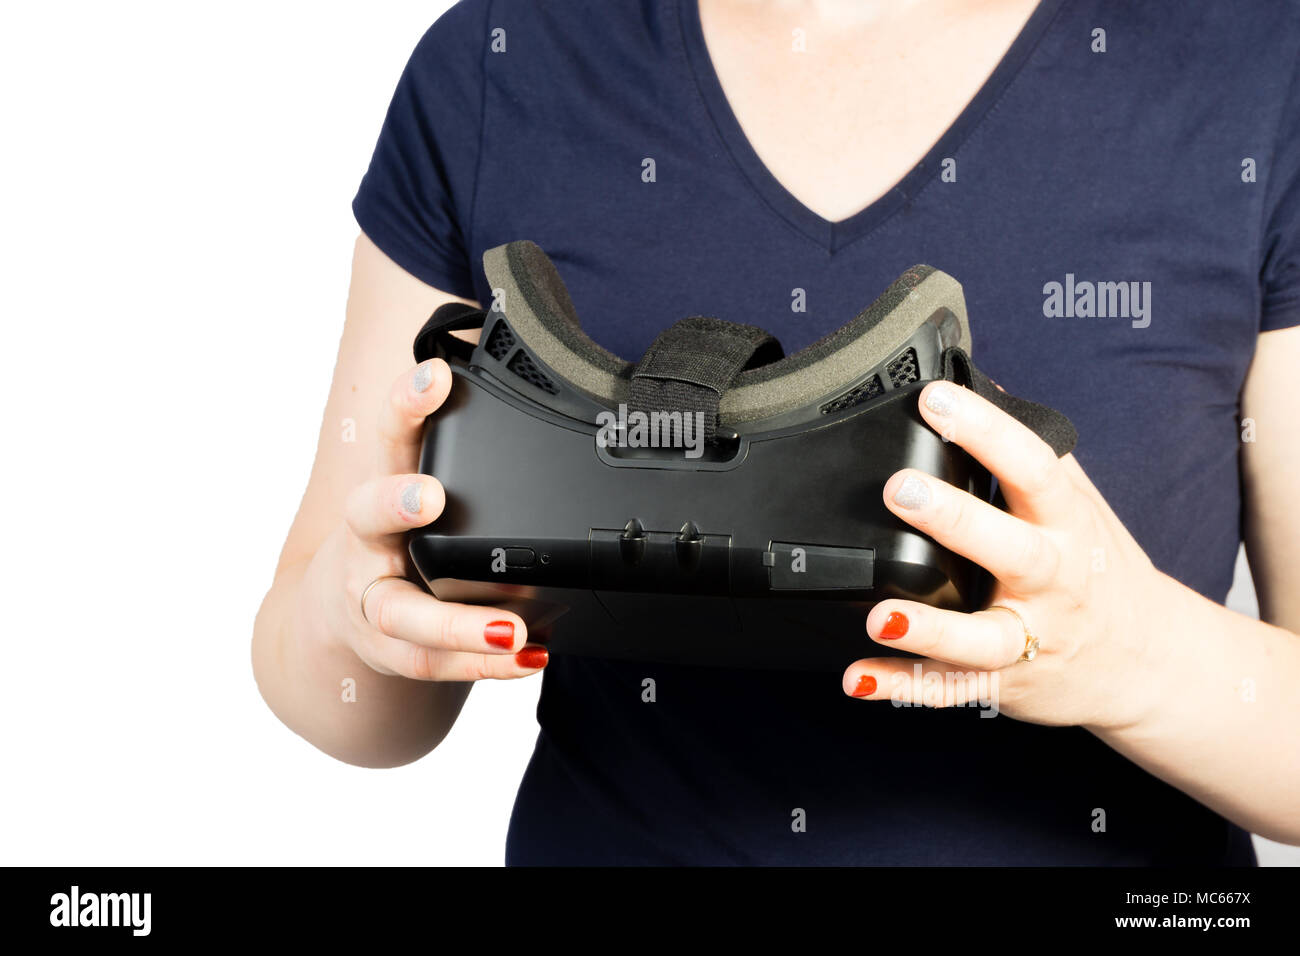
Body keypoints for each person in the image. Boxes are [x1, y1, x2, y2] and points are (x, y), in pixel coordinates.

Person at [252, 0, 1300, 864]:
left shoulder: (1258, 66)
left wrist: (1131, 652)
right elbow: (343, 703)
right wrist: (368, 611)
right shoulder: (499, 61)